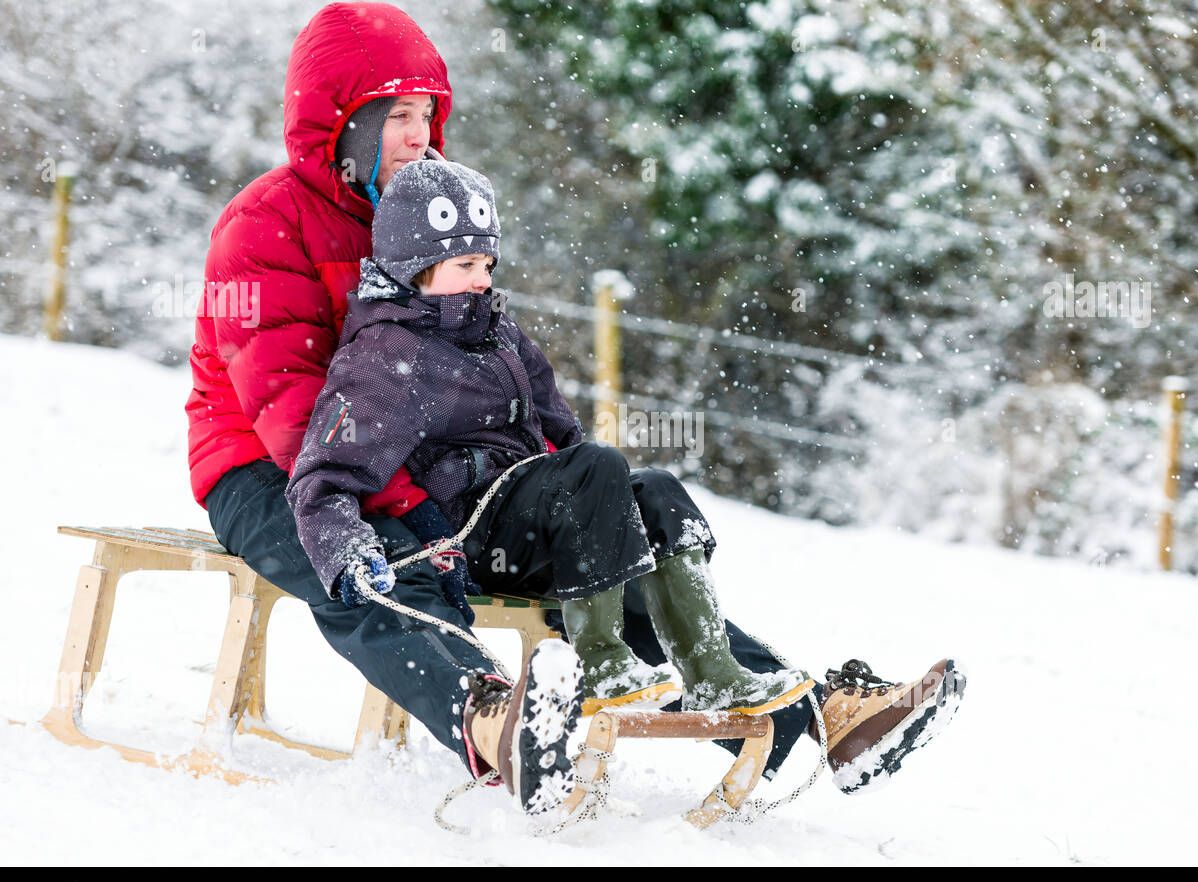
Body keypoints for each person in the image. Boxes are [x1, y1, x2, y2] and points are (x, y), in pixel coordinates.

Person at [185, 1, 964, 815]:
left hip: (435, 471)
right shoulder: (264, 224)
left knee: (609, 535)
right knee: (365, 561)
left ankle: (810, 719)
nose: (419, 134)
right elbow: (294, 418)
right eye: (395, 115)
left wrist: (543, 489)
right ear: (339, 124)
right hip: (273, 469)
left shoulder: (427, 217)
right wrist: (420, 515)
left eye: (427, 114)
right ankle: (492, 721)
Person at [284, 158, 817, 733]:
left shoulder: (496, 329)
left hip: (536, 518)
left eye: (487, 262)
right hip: (474, 533)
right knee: (597, 465)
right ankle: (600, 664)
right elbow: (324, 473)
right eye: (465, 264)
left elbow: (563, 431)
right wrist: (345, 551)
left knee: (657, 490)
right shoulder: (387, 353)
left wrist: (608, 503)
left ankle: (711, 671)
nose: (483, 278)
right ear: (416, 267)